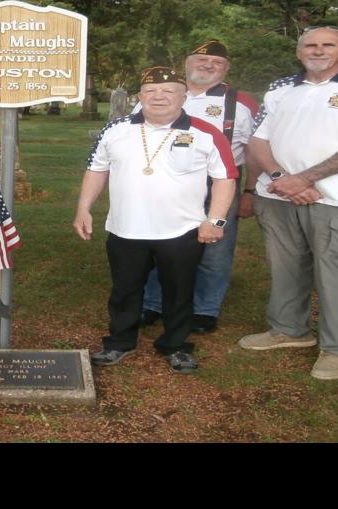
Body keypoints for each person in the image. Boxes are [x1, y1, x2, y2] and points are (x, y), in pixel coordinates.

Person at [241, 25, 338, 380]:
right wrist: (282, 179)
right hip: (277, 196)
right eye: (310, 45)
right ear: (299, 52)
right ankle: (288, 330)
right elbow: (258, 141)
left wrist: (305, 179)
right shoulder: (282, 89)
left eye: (329, 45)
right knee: (286, 268)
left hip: (337, 200)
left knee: (336, 272)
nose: (318, 50)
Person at [73, 67, 236, 375]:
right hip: (125, 228)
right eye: (150, 92)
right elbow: (97, 170)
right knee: (124, 290)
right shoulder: (116, 129)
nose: (159, 97)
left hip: (182, 230)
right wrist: (84, 208)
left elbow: (225, 178)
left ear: (183, 97)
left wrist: (215, 220)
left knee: (179, 290)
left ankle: (175, 345)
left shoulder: (206, 132)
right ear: (140, 97)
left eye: (169, 91)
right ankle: (119, 342)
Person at [136, 39, 257, 334]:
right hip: (167, 181)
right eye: (201, 60)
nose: (208, 66)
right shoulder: (161, 93)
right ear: (186, 63)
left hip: (218, 183)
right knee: (159, 243)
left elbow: (254, 149)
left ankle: (204, 309)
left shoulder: (241, 102)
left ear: (226, 68)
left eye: (216, 63)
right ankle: (153, 302)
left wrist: (250, 191)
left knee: (216, 248)